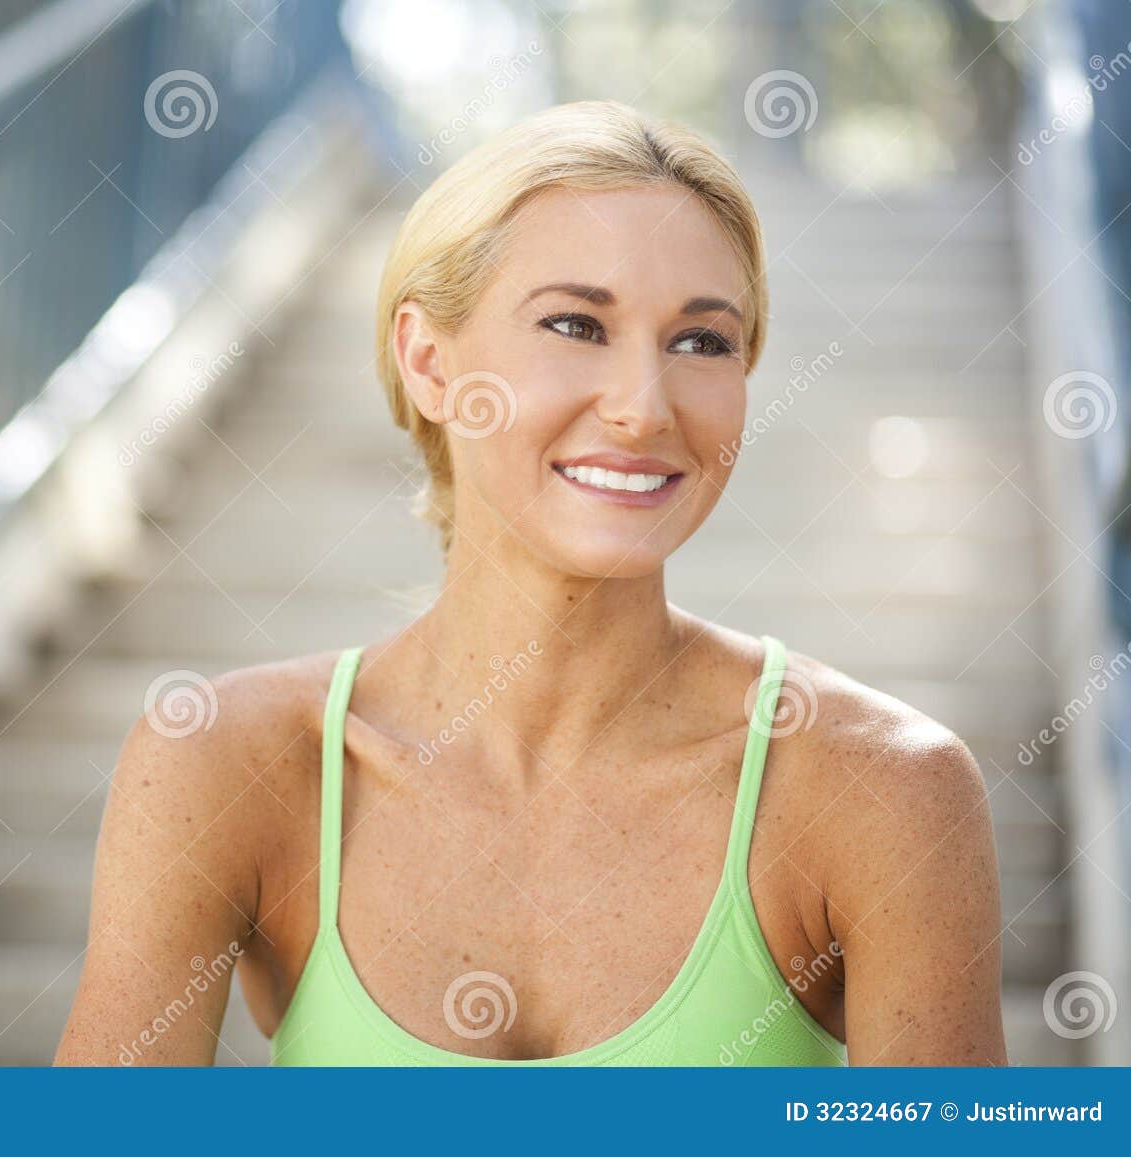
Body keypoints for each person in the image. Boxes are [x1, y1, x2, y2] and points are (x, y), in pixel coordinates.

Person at [56, 100, 1007, 1066]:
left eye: (701, 342)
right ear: (428, 361)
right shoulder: (227, 766)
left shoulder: (883, 789)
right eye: (575, 324)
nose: (642, 408)